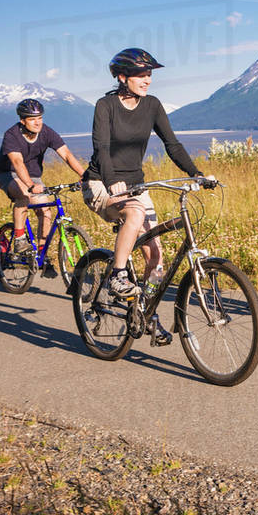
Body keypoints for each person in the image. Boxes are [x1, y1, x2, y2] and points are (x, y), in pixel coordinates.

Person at [80, 48, 212, 344]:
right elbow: (101, 148)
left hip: (136, 185)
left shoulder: (152, 105)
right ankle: (117, 274)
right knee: (135, 214)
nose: (147, 80)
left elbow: (172, 145)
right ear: (122, 76)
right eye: (141, 74)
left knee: (156, 256)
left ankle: (147, 313)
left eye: (149, 74)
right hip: (101, 182)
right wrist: (113, 181)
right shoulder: (105, 105)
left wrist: (196, 174)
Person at [0, 98, 86, 278]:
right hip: (6, 173)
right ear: (23, 121)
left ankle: (42, 254)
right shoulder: (11, 135)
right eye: (33, 119)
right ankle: (19, 239)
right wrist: (30, 185)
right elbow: (17, 162)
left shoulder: (46, 132)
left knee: (46, 211)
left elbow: (66, 154)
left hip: (33, 176)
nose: (38, 122)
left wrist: (84, 175)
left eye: (40, 118)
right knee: (24, 196)